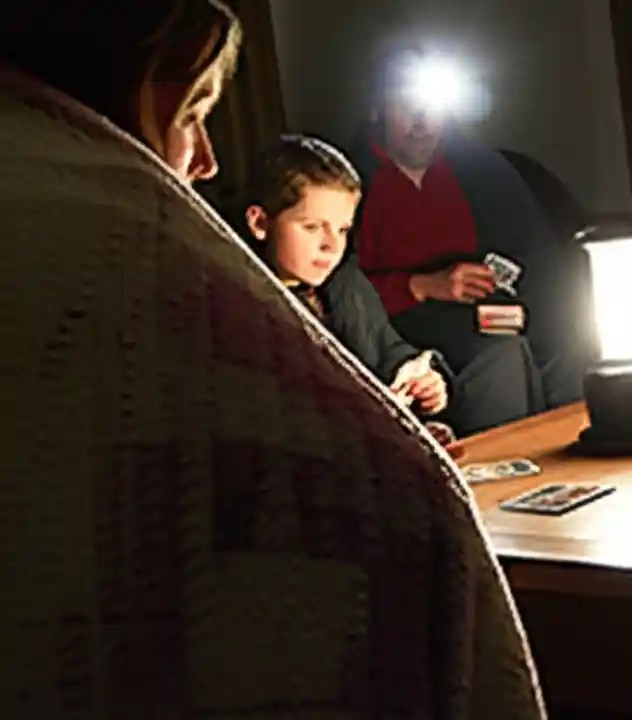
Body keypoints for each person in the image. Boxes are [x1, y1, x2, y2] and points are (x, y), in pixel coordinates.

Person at [0, 2, 544, 717]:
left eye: (341, 231)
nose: (205, 160)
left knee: (509, 355)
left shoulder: (376, 257)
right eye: (193, 114)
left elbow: (385, 350)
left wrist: (418, 383)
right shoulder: (174, 269)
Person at [352, 46, 588, 430]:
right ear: (376, 109)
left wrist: (541, 310)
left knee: (576, 341)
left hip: (499, 314)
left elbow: (540, 258)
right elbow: (341, 292)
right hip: (407, 330)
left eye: (433, 107)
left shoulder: (483, 169)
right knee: (502, 357)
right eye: (406, 105)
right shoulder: (352, 182)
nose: (422, 122)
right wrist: (421, 286)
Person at [243, 133, 468, 452]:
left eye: (343, 229)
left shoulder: (347, 284)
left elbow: (390, 351)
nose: (331, 245)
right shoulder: (245, 307)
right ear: (260, 223)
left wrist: (426, 386)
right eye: (312, 227)